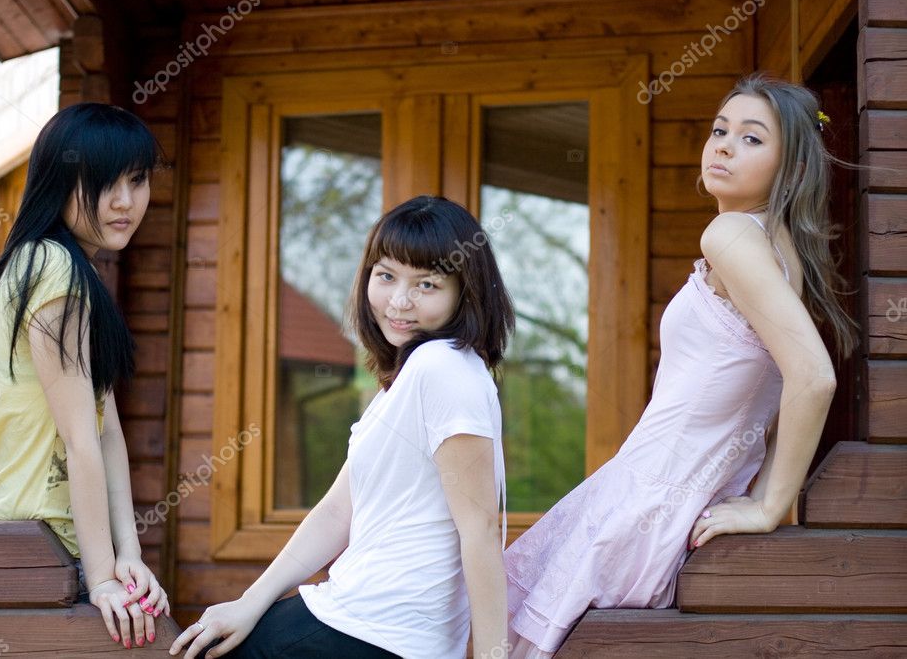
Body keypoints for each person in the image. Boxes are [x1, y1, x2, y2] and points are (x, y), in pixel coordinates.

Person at [503, 75, 857, 658]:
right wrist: (763, 495)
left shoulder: (731, 236)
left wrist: (770, 506)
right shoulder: (778, 249)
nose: (722, 145)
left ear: (792, 168)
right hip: (657, 499)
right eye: (720, 131)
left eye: (750, 139)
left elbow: (814, 377)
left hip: (647, 504)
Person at [170, 196, 515, 659]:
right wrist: (250, 603)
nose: (399, 301)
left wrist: (495, 656)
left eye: (427, 284)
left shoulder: (444, 369)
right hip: (359, 621)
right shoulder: (406, 380)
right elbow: (337, 513)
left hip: (379, 632)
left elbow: (479, 528)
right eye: (386, 275)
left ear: (464, 293)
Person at [0, 103, 170, 649]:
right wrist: (102, 578)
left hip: (47, 543)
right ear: (59, 181)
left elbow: (106, 431)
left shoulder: (68, 271)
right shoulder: (50, 266)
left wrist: (128, 555)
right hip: (28, 544)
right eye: (103, 183)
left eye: (137, 180)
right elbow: (80, 440)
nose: (125, 201)